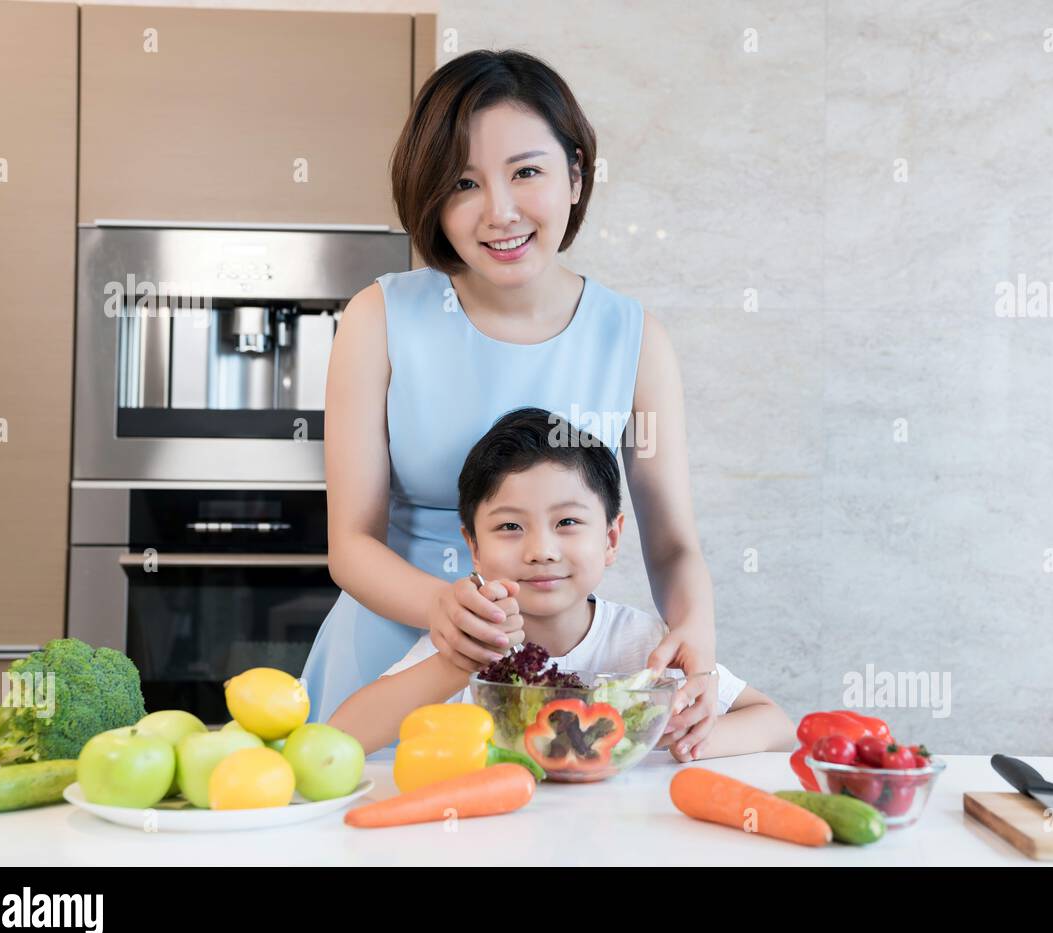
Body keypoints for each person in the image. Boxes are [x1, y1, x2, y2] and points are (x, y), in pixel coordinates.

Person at [300, 49, 726, 760]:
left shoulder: (636, 340)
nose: (499, 212)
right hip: (383, 664)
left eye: (526, 171)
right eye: (463, 183)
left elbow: (673, 542)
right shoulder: (378, 318)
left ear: (576, 175)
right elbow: (351, 544)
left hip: (539, 674)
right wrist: (442, 609)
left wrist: (698, 632)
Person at [329, 409, 795, 758]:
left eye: (568, 521)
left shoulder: (644, 647)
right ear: (473, 546)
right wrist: (458, 663)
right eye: (510, 527)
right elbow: (343, 736)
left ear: (611, 538)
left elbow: (776, 724)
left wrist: (685, 739)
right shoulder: (465, 640)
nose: (541, 550)